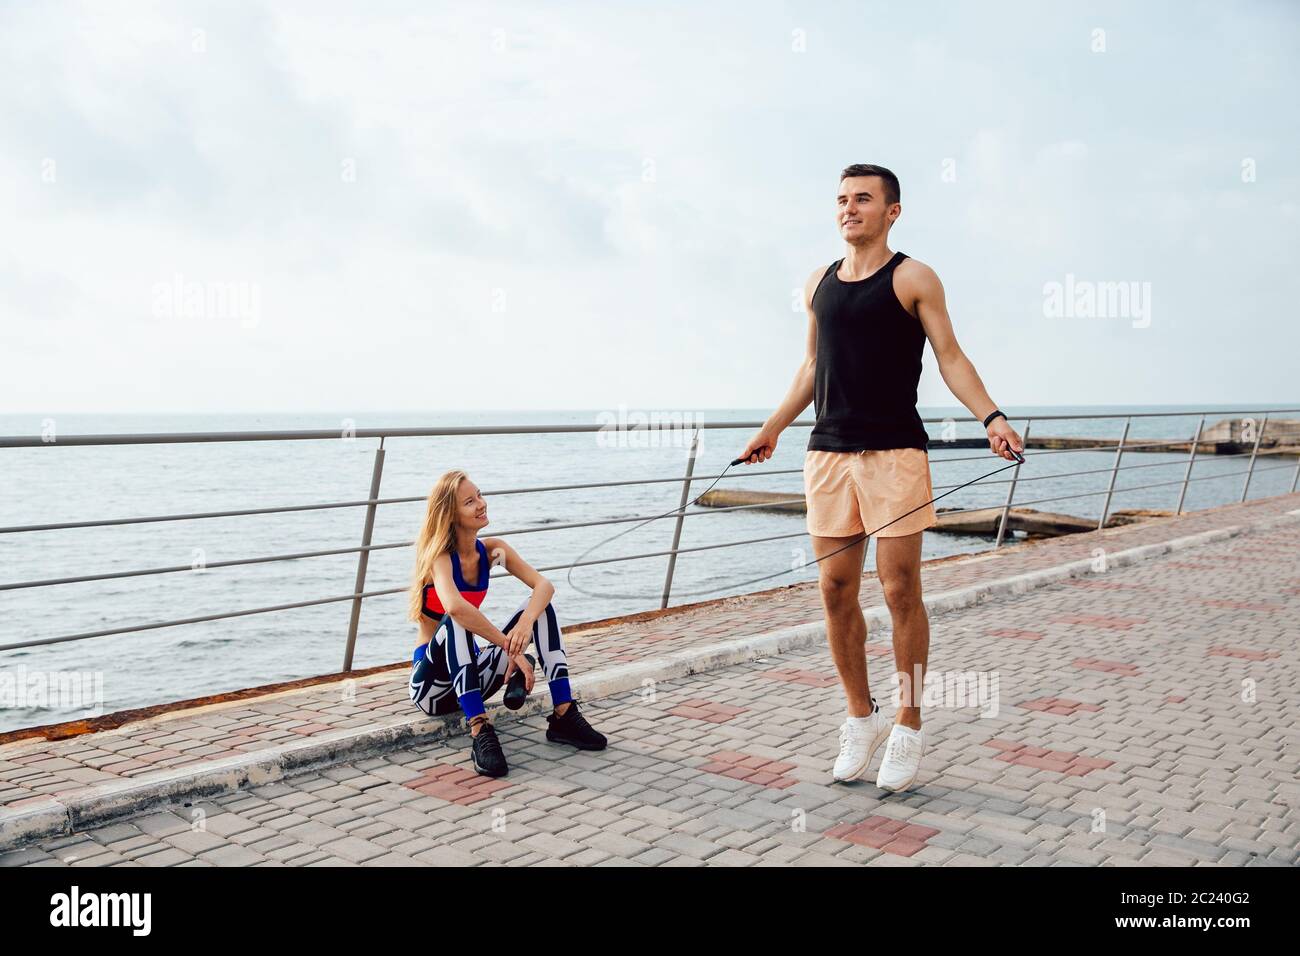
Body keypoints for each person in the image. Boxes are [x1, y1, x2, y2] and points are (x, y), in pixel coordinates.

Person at [738, 163, 1023, 792]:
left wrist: (991, 416)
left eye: (863, 199)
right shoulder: (818, 282)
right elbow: (811, 365)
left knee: (899, 591)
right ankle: (858, 718)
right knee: (836, 591)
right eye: (841, 199)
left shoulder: (913, 277)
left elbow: (951, 355)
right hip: (828, 455)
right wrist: (773, 427)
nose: (849, 208)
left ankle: (909, 724)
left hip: (895, 454)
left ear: (892, 210)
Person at [407, 469, 607, 777]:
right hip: (433, 688)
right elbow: (456, 609)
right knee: (456, 620)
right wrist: (509, 648)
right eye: (469, 502)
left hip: (471, 673)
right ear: (450, 514)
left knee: (540, 608)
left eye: (480, 495)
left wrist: (525, 624)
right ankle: (479, 729)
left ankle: (564, 714)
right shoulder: (440, 558)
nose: (481, 504)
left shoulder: (492, 551)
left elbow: (544, 586)